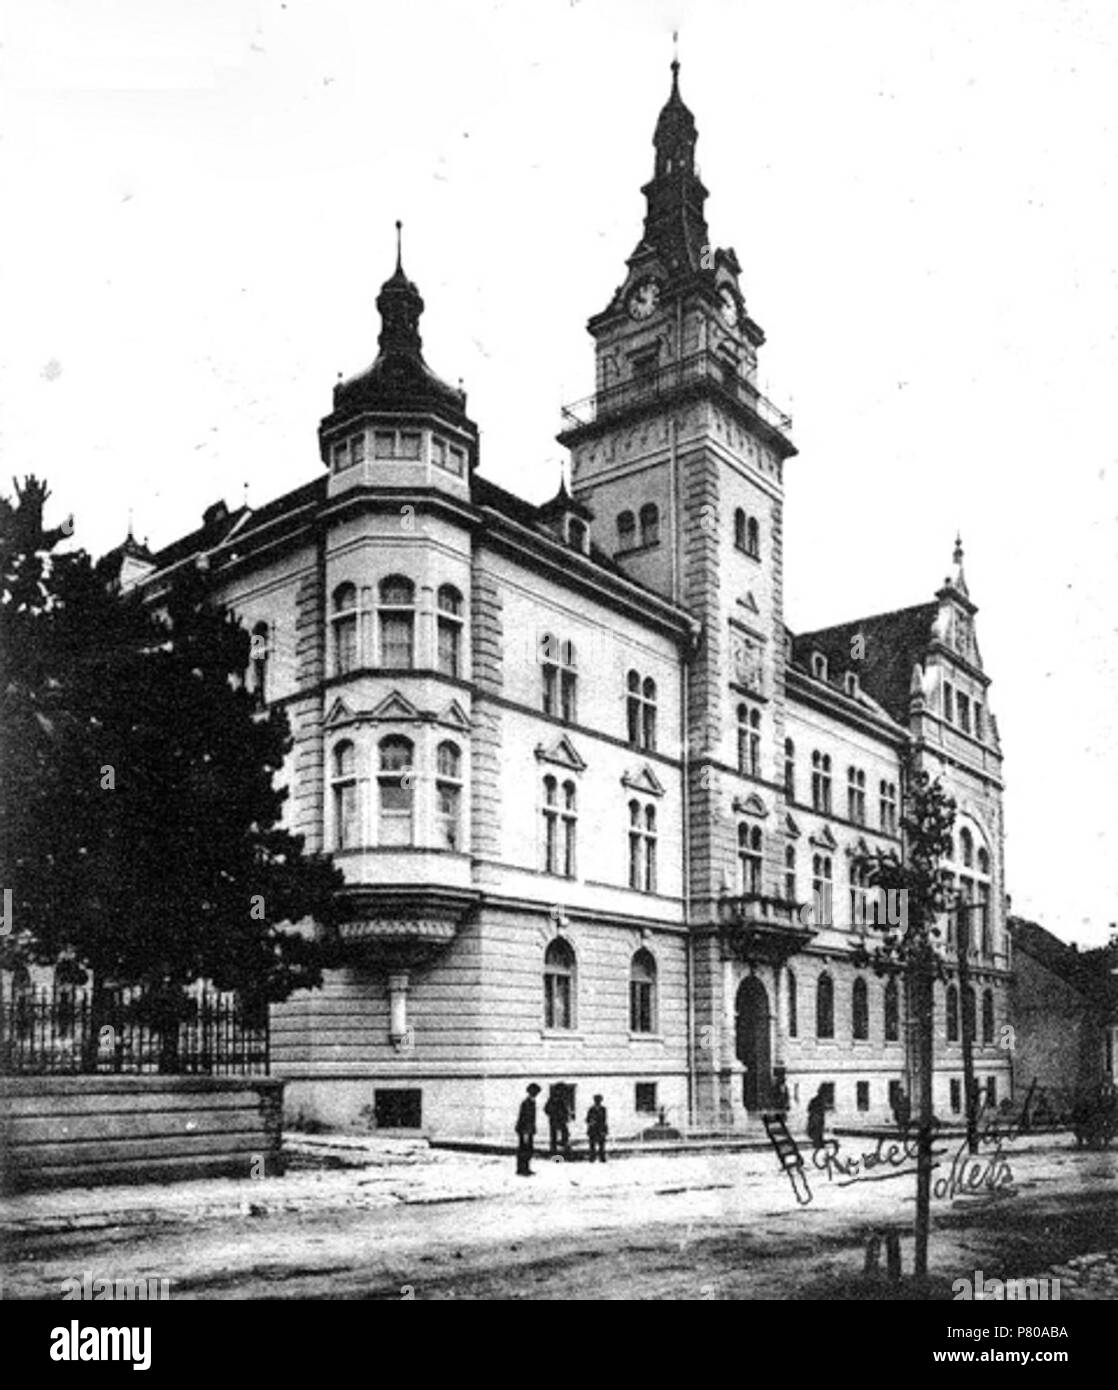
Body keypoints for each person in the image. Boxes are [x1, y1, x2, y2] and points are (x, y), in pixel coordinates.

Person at [516, 1083, 541, 1175]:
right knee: (524, 1149)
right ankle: (522, 1169)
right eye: (535, 1092)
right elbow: (524, 1118)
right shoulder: (527, 1103)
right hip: (525, 1130)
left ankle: (525, 1168)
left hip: (528, 1129)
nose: (536, 1094)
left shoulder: (531, 1102)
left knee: (528, 1149)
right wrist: (525, 1131)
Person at [544, 1084, 572, 1158]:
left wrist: (566, 1116)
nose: (560, 1092)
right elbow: (546, 1109)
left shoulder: (563, 1099)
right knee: (554, 1136)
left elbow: (566, 1109)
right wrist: (553, 1114)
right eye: (559, 1090)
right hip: (554, 1120)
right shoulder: (552, 1099)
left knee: (565, 1134)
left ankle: (565, 1150)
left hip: (562, 1120)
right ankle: (553, 1152)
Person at [586, 1094, 608, 1163]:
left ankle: (602, 1157)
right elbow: (587, 1119)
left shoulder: (603, 1109)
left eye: (599, 1100)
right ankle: (592, 1157)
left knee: (602, 1144)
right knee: (592, 1144)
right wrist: (591, 1122)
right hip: (593, 1128)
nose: (598, 1102)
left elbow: (604, 1119)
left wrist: (604, 1129)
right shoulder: (591, 1109)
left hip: (601, 1128)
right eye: (596, 1100)